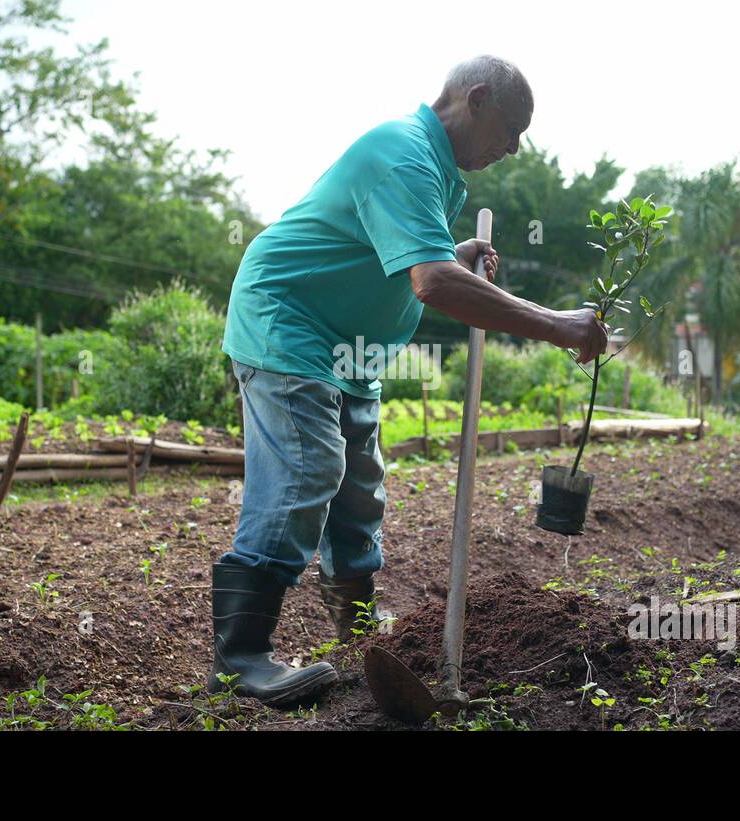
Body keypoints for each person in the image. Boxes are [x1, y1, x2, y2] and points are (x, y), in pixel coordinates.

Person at [212, 55, 609, 704]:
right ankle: (241, 658)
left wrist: (451, 253)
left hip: (348, 353)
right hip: (287, 324)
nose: (512, 149)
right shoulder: (400, 152)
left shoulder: (436, 173)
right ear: (476, 99)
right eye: (511, 131)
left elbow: (404, 258)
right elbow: (432, 284)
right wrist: (559, 325)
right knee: (309, 470)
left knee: (359, 492)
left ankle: (357, 632)